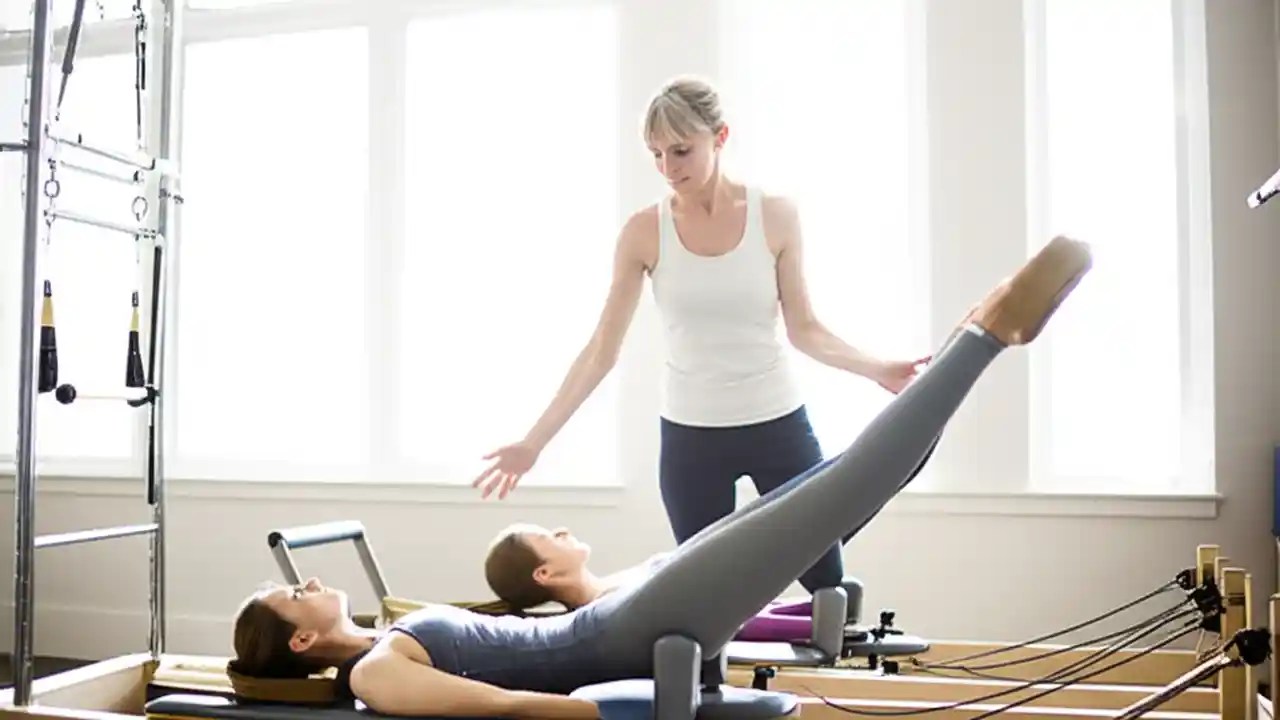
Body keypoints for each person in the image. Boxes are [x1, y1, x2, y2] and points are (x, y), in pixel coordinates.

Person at [227, 235, 1092, 720]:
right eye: (291, 595)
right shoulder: (376, 672)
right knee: (840, 491)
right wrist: (626, 715)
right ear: (301, 641)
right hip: (636, 629)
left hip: (628, 611)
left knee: (836, 492)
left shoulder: (400, 628)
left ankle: (978, 341)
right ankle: (982, 337)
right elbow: (516, 713)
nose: (306, 580)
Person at [471, 76, 930, 598]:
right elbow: (602, 350)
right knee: (703, 595)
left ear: (721, 137)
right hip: (692, 437)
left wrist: (878, 369)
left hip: (776, 422)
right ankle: (706, 682)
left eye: (682, 151)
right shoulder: (644, 232)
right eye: (657, 155)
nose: (670, 168)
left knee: (825, 579)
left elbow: (805, 330)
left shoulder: (775, 215)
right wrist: (534, 442)